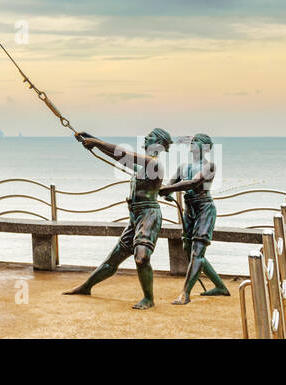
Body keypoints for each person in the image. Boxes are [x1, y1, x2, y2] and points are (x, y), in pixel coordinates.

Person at [64, 127, 172, 309]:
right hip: (135, 217)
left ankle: (149, 299)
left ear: (159, 145)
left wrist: (97, 143)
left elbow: (125, 153)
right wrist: (93, 140)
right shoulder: (142, 166)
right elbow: (119, 156)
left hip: (149, 215)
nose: (146, 137)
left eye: (151, 136)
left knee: (141, 258)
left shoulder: (154, 165)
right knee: (113, 259)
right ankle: (86, 287)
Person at [161, 132, 230, 304]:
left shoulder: (210, 166)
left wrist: (168, 190)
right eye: (192, 140)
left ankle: (185, 293)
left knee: (197, 251)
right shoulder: (183, 166)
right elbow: (170, 184)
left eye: (197, 141)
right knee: (189, 249)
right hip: (189, 209)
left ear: (206, 147)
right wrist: (165, 190)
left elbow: (193, 183)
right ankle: (220, 286)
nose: (192, 143)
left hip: (204, 209)